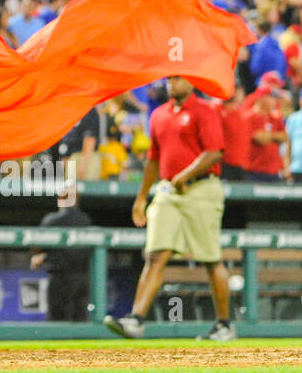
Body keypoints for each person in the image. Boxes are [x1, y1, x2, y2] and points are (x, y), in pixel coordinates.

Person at [105, 76, 233, 341]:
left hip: (201, 188)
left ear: (192, 82)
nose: (172, 83)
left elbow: (215, 152)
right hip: (167, 191)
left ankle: (224, 325)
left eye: (178, 78)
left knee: (210, 259)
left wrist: (184, 175)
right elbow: (153, 159)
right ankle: (136, 320)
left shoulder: (204, 110)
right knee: (155, 255)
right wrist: (141, 198)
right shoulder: (159, 115)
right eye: (170, 78)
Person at [31, 182, 91, 320]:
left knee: (57, 320)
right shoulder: (85, 220)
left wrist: (43, 256)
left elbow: (35, 246)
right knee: (80, 321)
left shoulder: (52, 220)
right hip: (82, 278)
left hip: (60, 277)